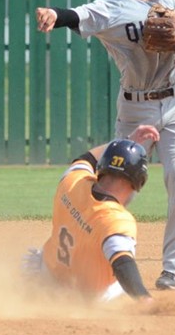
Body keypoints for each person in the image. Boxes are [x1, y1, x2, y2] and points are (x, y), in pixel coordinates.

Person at [34, 0, 175, 291]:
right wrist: (52, 15)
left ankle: (172, 270)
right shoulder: (111, 10)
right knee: (114, 189)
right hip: (136, 109)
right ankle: (80, 255)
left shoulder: (171, 3)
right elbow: (77, 15)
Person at [26, 125, 161, 303]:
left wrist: (126, 140)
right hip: (81, 299)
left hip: (44, 274)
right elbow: (123, 264)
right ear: (138, 181)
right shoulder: (116, 220)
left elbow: (87, 157)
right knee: (121, 277)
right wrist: (144, 299)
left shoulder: (73, 181)